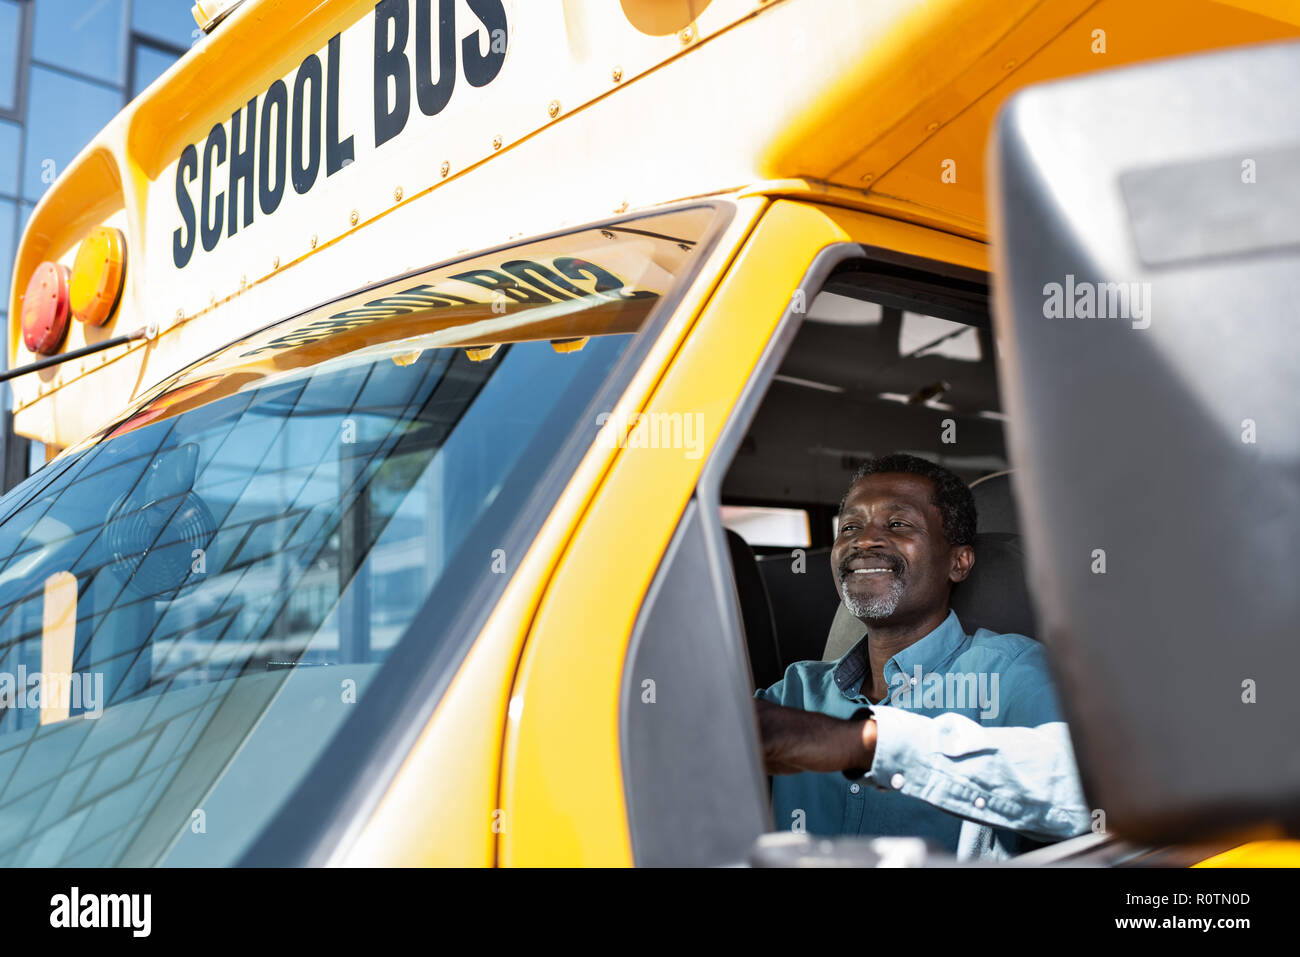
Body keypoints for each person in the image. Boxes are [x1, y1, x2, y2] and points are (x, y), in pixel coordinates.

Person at [754, 453, 1089, 860]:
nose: (864, 540)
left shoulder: (1010, 670)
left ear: (958, 562)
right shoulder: (795, 692)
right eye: (850, 527)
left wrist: (864, 744)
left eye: (897, 524)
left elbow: (1076, 788)